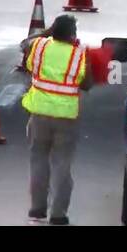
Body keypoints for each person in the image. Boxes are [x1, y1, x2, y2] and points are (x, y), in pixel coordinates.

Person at [19, 14, 94, 225]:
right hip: (66, 118)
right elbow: (87, 84)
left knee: (38, 160)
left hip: (39, 115)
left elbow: (26, 53)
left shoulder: (40, 47)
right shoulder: (79, 54)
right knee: (62, 165)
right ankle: (58, 214)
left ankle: (37, 209)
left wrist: (46, 32)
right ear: (72, 35)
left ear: (53, 30)